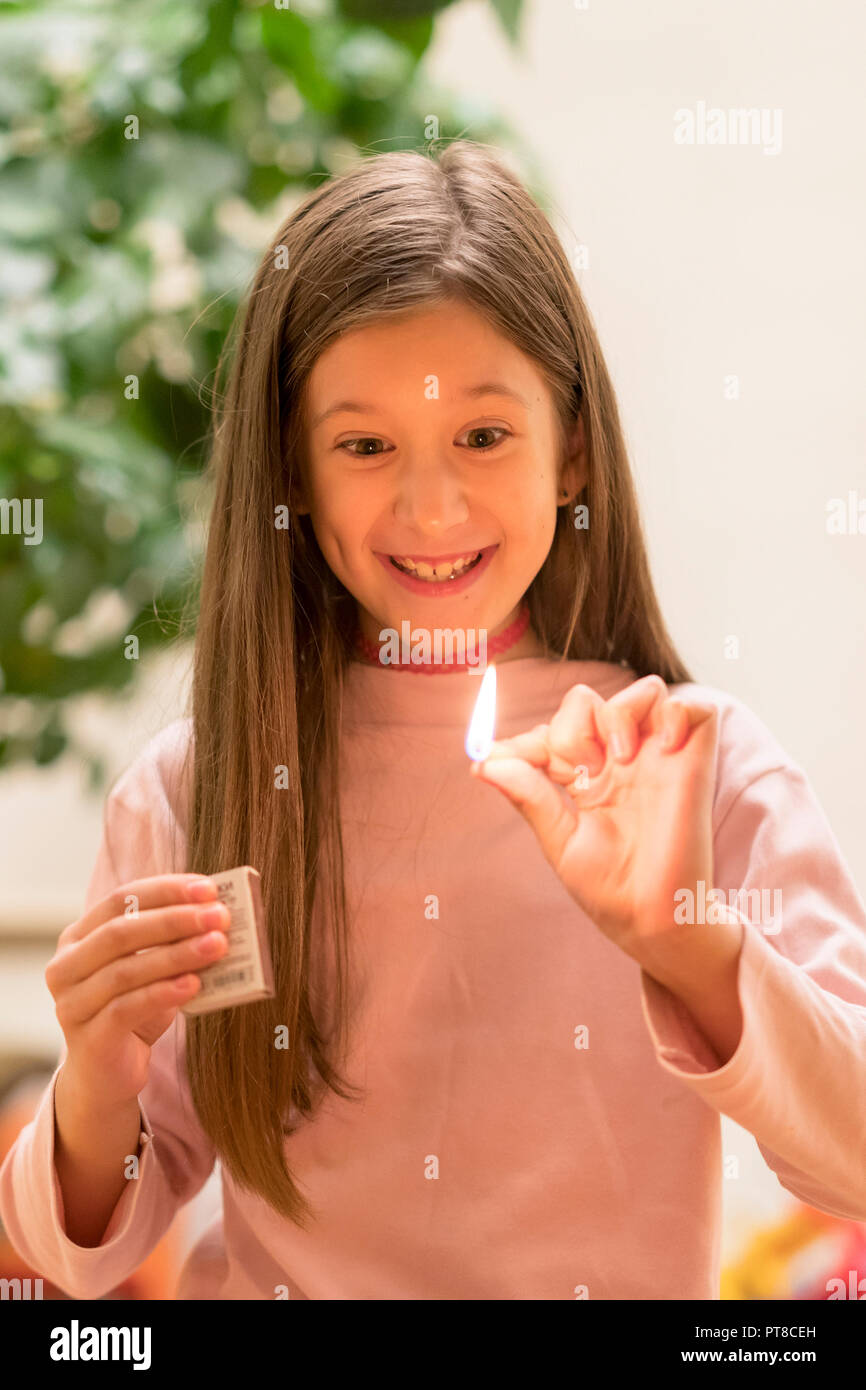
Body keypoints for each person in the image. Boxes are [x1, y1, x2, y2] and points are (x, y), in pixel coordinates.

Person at [2, 141, 866, 1301]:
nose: (430, 505)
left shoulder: (690, 767)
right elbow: (82, 1249)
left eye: (481, 435)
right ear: (293, 472)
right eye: (364, 445)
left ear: (569, 447)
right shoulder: (193, 790)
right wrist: (96, 1083)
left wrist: (690, 948)